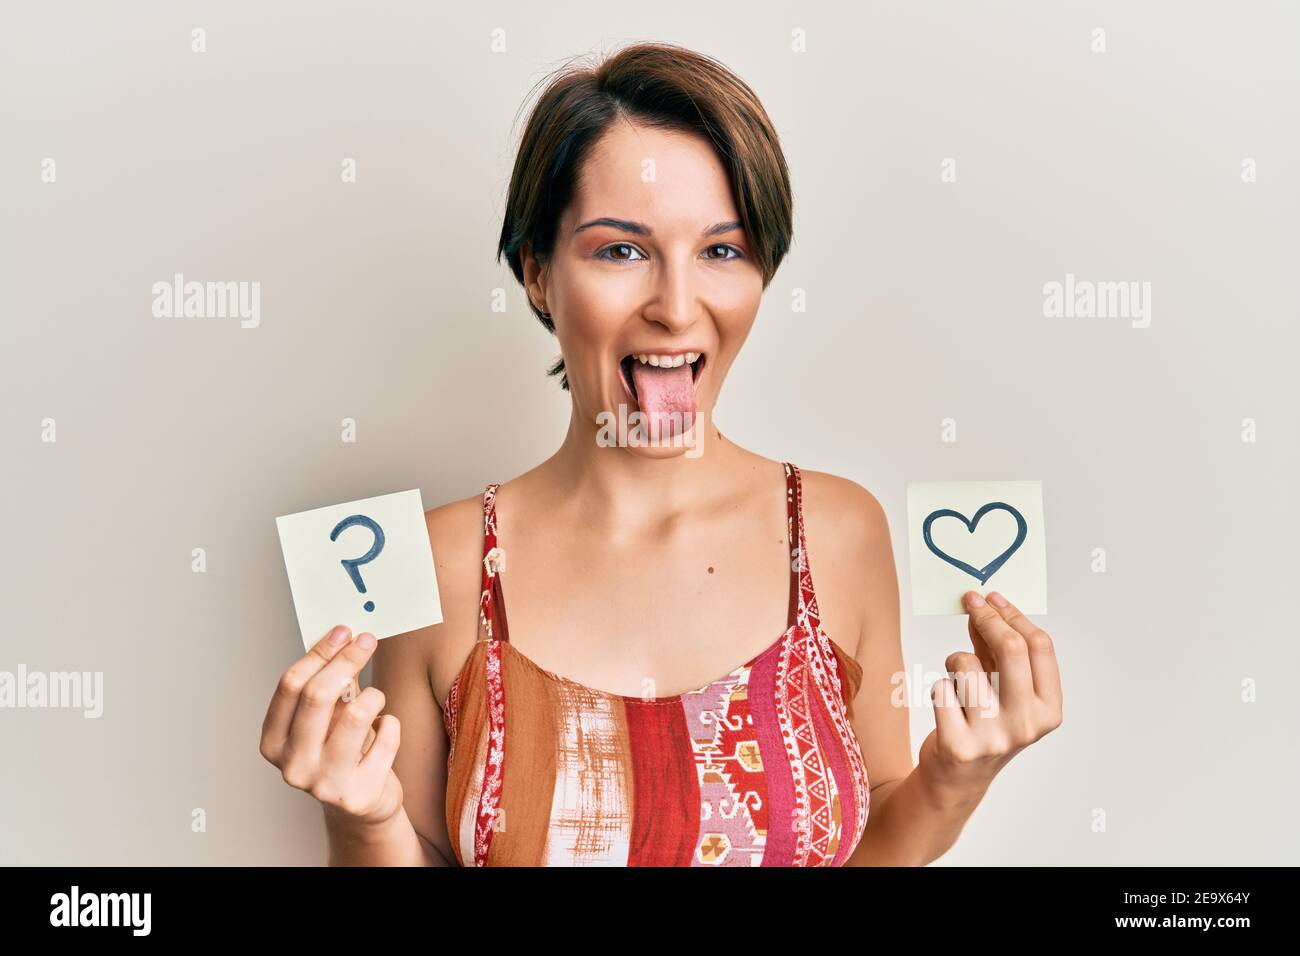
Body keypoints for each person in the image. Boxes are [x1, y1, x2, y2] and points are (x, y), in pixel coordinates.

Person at [259, 41, 1062, 866]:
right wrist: (363, 824)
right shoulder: (437, 563)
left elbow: (871, 835)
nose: (677, 308)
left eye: (722, 250)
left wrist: (955, 780)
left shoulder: (838, 529)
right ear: (537, 272)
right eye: (621, 250)